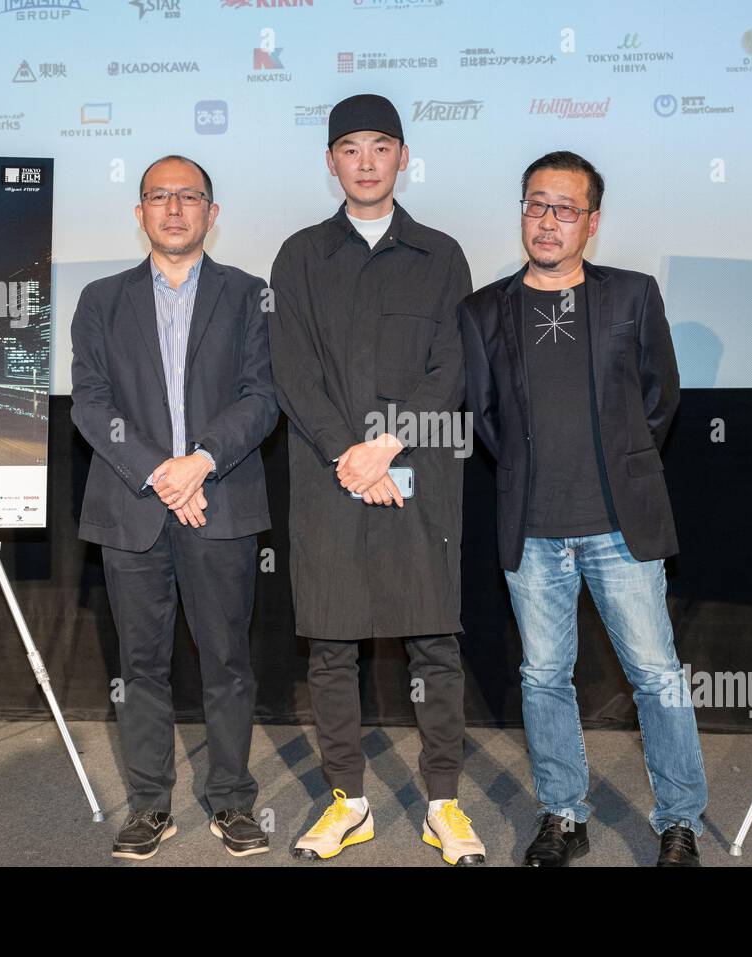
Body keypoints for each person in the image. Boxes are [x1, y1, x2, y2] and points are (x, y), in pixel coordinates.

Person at [460, 151, 708, 867]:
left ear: (591, 223)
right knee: (544, 677)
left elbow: (660, 399)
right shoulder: (482, 309)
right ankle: (564, 815)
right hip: (532, 531)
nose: (547, 220)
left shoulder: (633, 295)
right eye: (536, 204)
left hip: (620, 527)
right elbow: (487, 417)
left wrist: (623, 464)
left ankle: (679, 821)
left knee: (657, 676)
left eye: (564, 208)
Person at [268, 94, 485, 866]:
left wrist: (386, 447)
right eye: (350, 149)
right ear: (331, 161)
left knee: (434, 642)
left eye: (380, 147)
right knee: (330, 646)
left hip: (418, 472)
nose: (365, 162)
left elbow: (451, 368)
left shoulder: (441, 254)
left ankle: (443, 804)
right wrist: (350, 456)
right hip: (329, 478)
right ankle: (348, 801)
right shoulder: (298, 256)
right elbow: (292, 371)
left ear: (403, 157)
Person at [70, 154, 279, 861]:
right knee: (141, 663)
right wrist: (160, 471)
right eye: (159, 196)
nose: (174, 208)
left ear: (211, 213)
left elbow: (262, 398)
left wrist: (199, 461)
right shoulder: (100, 299)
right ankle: (149, 805)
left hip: (219, 500)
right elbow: (91, 405)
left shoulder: (252, 296)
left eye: (188, 196)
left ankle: (232, 801)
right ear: (140, 213)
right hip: (134, 508)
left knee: (227, 661)